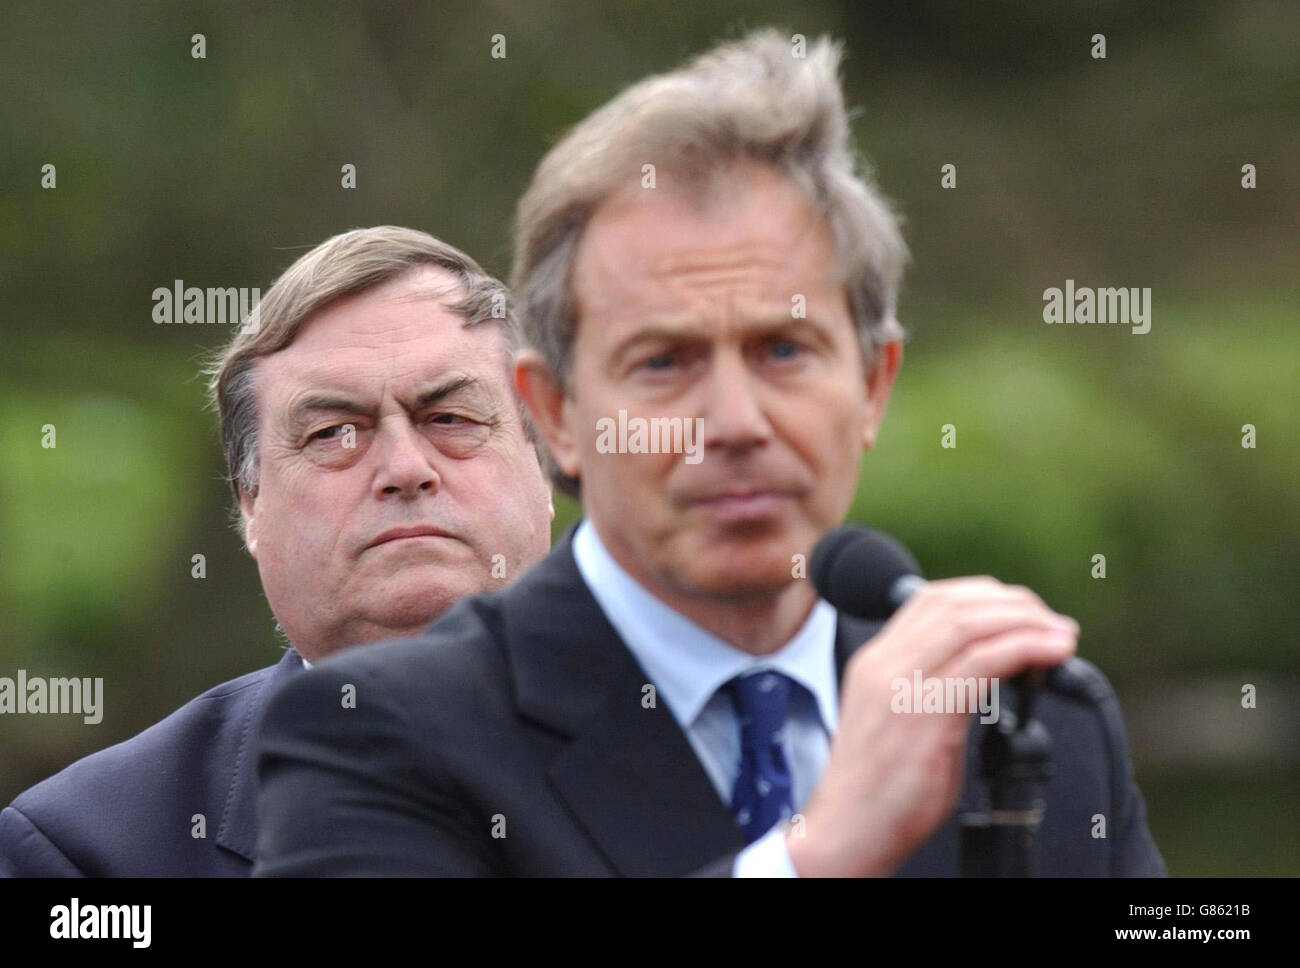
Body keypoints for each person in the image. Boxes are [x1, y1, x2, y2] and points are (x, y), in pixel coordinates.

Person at [254, 33, 1165, 877]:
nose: (733, 422)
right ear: (557, 413)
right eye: (665, 362)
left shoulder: (1031, 719)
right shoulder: (378, 735)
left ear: (875, 385)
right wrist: (815, 856)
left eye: (783, 351)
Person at [0, 227, 554, 876]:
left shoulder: (695, 753)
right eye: (334, 432)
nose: (405, 467)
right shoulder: (82, 854)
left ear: (545, 462)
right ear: (250, 504)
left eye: (451, 419)